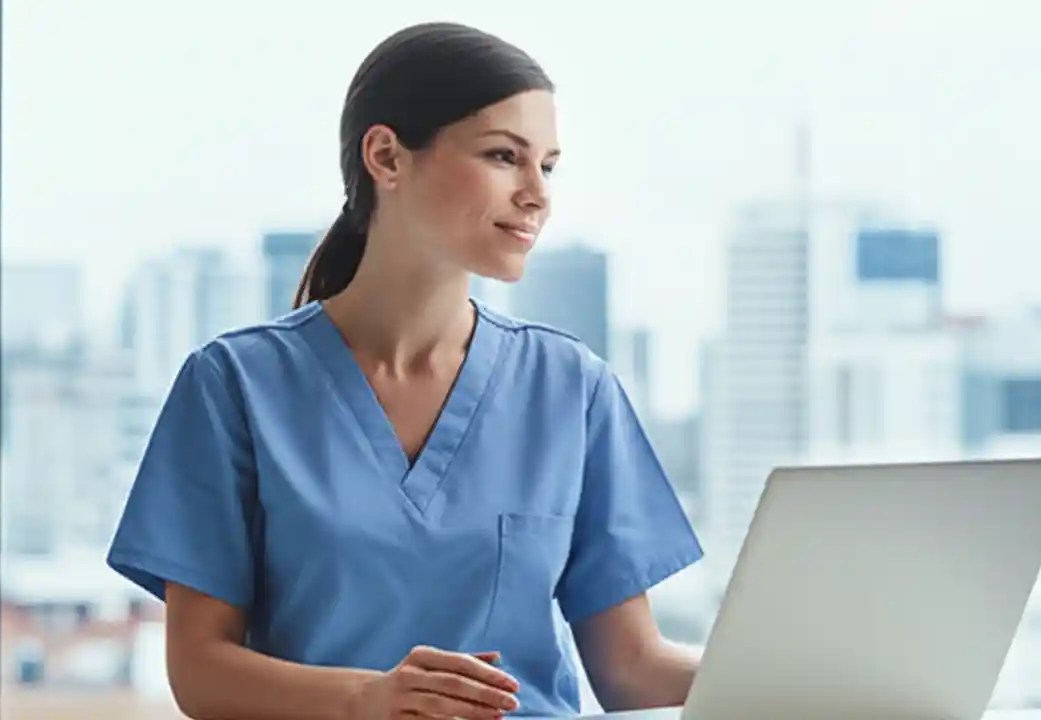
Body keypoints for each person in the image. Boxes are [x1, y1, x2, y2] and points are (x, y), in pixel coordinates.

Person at [106, 20, 704, 720]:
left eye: (548, 165)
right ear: (387, 157)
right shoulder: (234, 387)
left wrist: (805, 668)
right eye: (504, 156)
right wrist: (369, 698)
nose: (537, 193)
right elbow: (200, 671)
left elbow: (631, 668)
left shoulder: (571, 388)